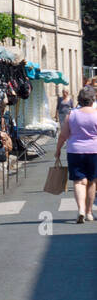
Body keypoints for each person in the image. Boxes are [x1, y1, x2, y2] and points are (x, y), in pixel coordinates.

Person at [56, 85, 97, 223]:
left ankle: (80, 209)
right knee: (92, 182)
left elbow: (63, 135)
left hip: (75, 151)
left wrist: (57, 150)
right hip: (94, 151)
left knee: (79, 182)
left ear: (79, 99)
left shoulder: (72, 114)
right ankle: (89, 212)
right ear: (93, 99)